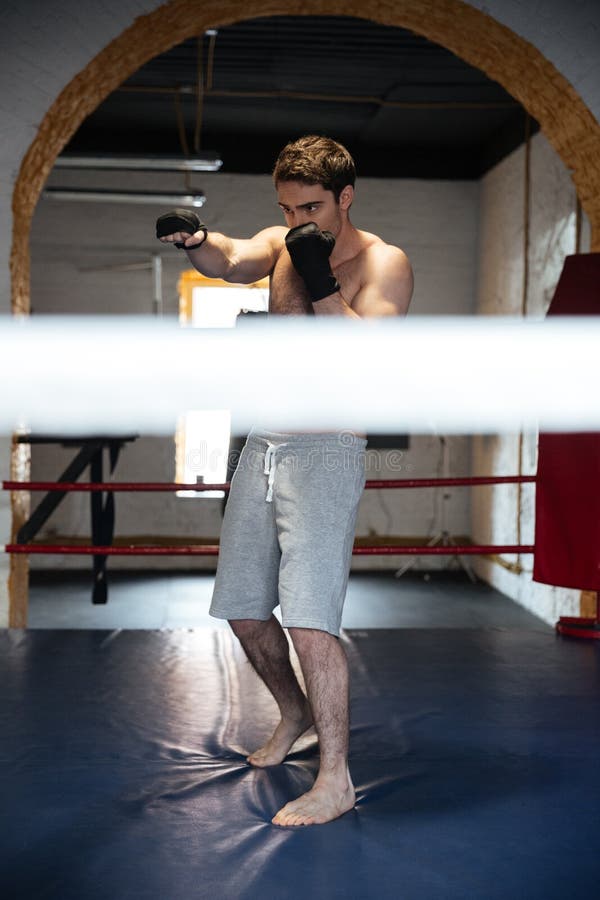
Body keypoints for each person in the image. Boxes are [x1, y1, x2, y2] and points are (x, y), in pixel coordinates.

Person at [157, 135, 413, 826]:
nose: (298, 219)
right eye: (287, 206)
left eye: (312, 207)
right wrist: (196, 239)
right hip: (263, 443)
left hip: (328, 447)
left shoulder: (385, 262)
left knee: (309, 619)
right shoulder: (281, 241)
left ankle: (335, 779)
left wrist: (323, 282)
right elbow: (232, 258)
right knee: (243, 607)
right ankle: (294, 712)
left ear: (346, 195)